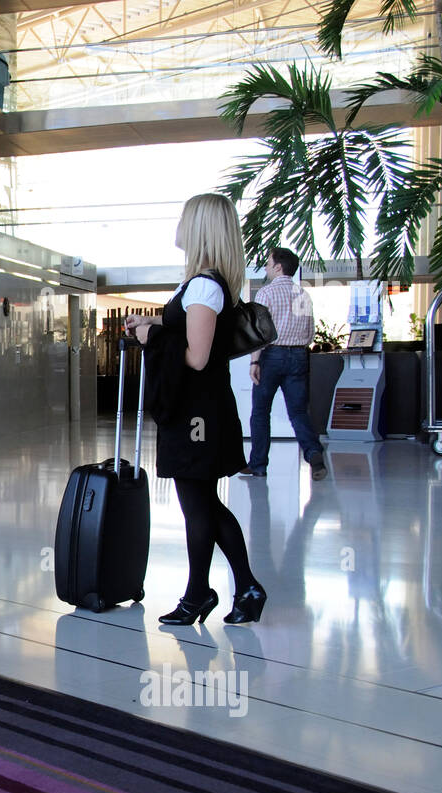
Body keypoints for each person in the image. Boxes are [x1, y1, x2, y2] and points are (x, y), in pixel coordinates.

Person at [126, 193, 266, 626]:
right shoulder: (203, 284)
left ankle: (205, 592)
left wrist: (152, 337)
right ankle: (235, 589)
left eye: (185, 218)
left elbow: (197, 356)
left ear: (200, 227)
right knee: (203, 505)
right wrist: (150, 326)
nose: (179, 226)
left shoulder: (204, 286)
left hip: (198, 415)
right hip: (199, 410)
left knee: (199, 506)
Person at [242, 247, 326, 480]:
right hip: (299, 356)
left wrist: (254, 362)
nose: (266, 267)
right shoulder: (303, 295)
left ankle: (258, 465)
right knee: (298, 412)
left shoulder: (266, 294)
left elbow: (261, 332)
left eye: (268, 263)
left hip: (271, 356)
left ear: (278, 267)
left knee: (260, 412)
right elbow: (310, 333)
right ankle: (314, 454)